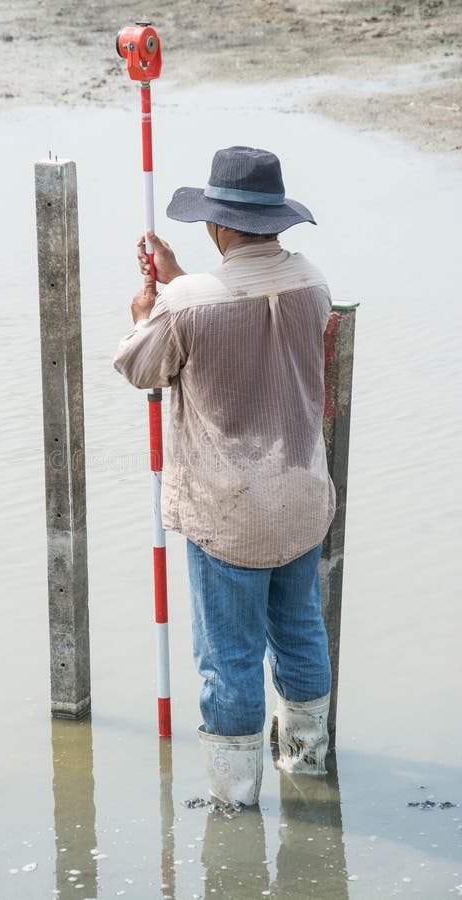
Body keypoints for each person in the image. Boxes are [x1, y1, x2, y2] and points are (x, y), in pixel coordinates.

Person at [113, 146, 335, 807]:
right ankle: (307, 768)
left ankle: (233, 804)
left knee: (228, 661)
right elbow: (244, 304)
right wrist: (180, 285)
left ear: (217, 225)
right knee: (300, 634)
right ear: (276, 222)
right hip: (301, 499)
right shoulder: (312, 281)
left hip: (229, 514)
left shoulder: (185, 303)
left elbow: (140, 368)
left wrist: (145, 312)